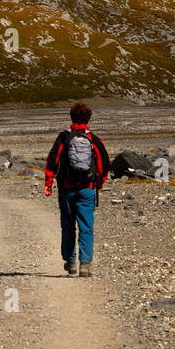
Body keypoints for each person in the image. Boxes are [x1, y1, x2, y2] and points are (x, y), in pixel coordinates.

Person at [44, 102, 110, 277]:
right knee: (86, 226)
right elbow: (104, 163)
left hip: (66, 188)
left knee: (67, 226)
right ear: (88, 118)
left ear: (71, 117)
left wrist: (48, 182)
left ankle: (71, 262)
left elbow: (53, 159)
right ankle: (85, 265)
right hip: (87, 189)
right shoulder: (94, 139)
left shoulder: (64, 137)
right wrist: (99, 183)